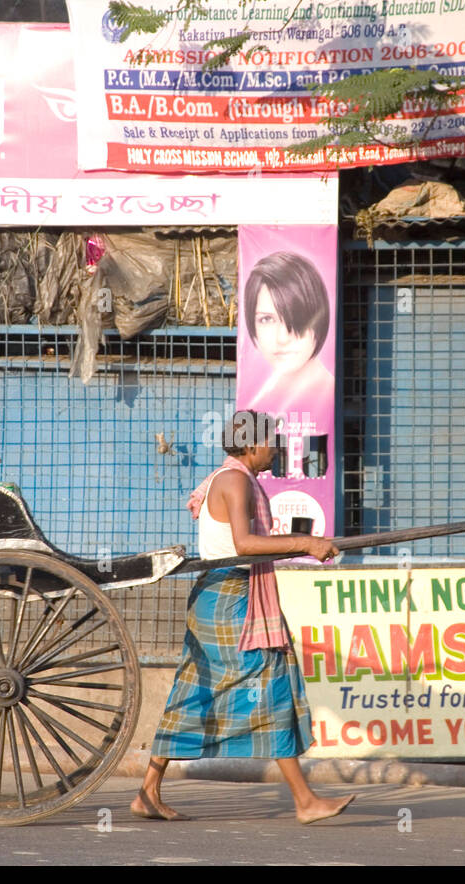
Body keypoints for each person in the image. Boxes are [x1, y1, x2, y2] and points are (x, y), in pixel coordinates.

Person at [131, 410, 356, 824]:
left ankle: (147, 793)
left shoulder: (233, 477)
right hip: (228, 597)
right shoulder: (235, 481)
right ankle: (304, 800)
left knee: (195, 690)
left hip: (225, 595)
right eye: (271, 441)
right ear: (252, 446)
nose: (277, 448)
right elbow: (246, 543)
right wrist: (306, 542)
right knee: (269, 683)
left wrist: (305, 545)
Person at [242, 252, 335, 416]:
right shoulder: (258, 398)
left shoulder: (329, 394)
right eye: (266, 319)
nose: (282, 338)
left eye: (296, 317)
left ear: (320, 316)